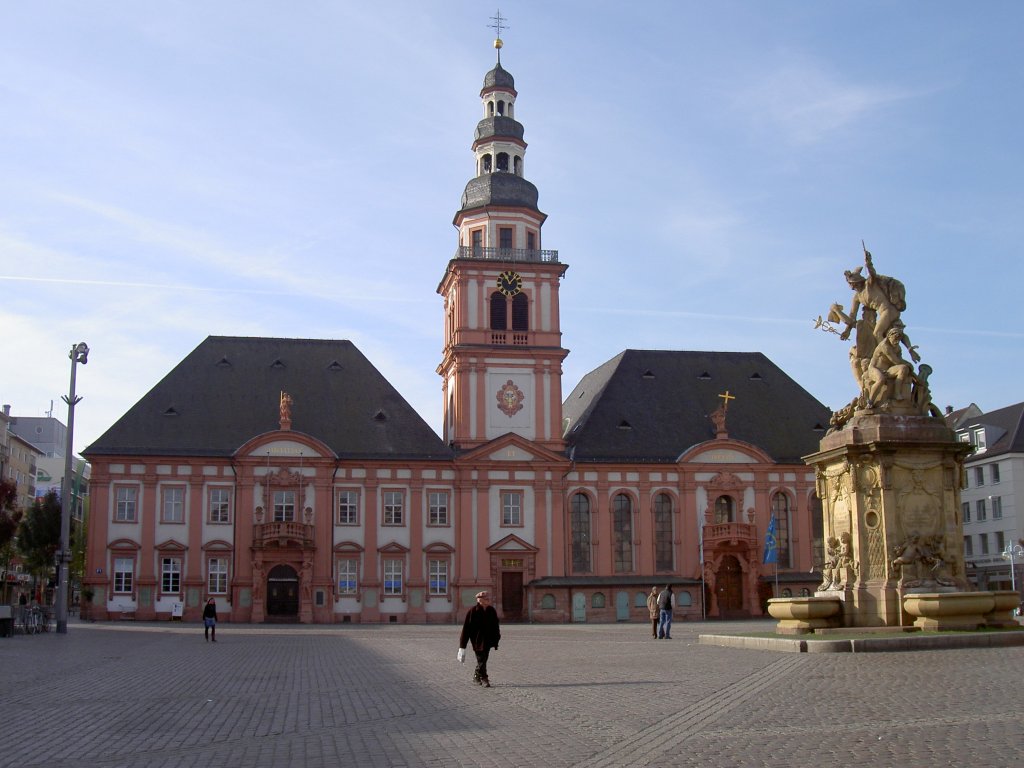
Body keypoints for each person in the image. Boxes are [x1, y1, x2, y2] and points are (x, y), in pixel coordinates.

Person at [458, 591, 500, 687]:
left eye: (489, 598)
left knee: (484, 659)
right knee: (481, 659)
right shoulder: (473, 611)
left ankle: (476, 676)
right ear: (480, 600)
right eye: (486, 599)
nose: (489, 600)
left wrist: (497, 637)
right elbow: (466, 629)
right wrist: (462, 646)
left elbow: (496, 625)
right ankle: (484, 678)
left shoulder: (491, 610)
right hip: (477, 640)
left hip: (488, 639)